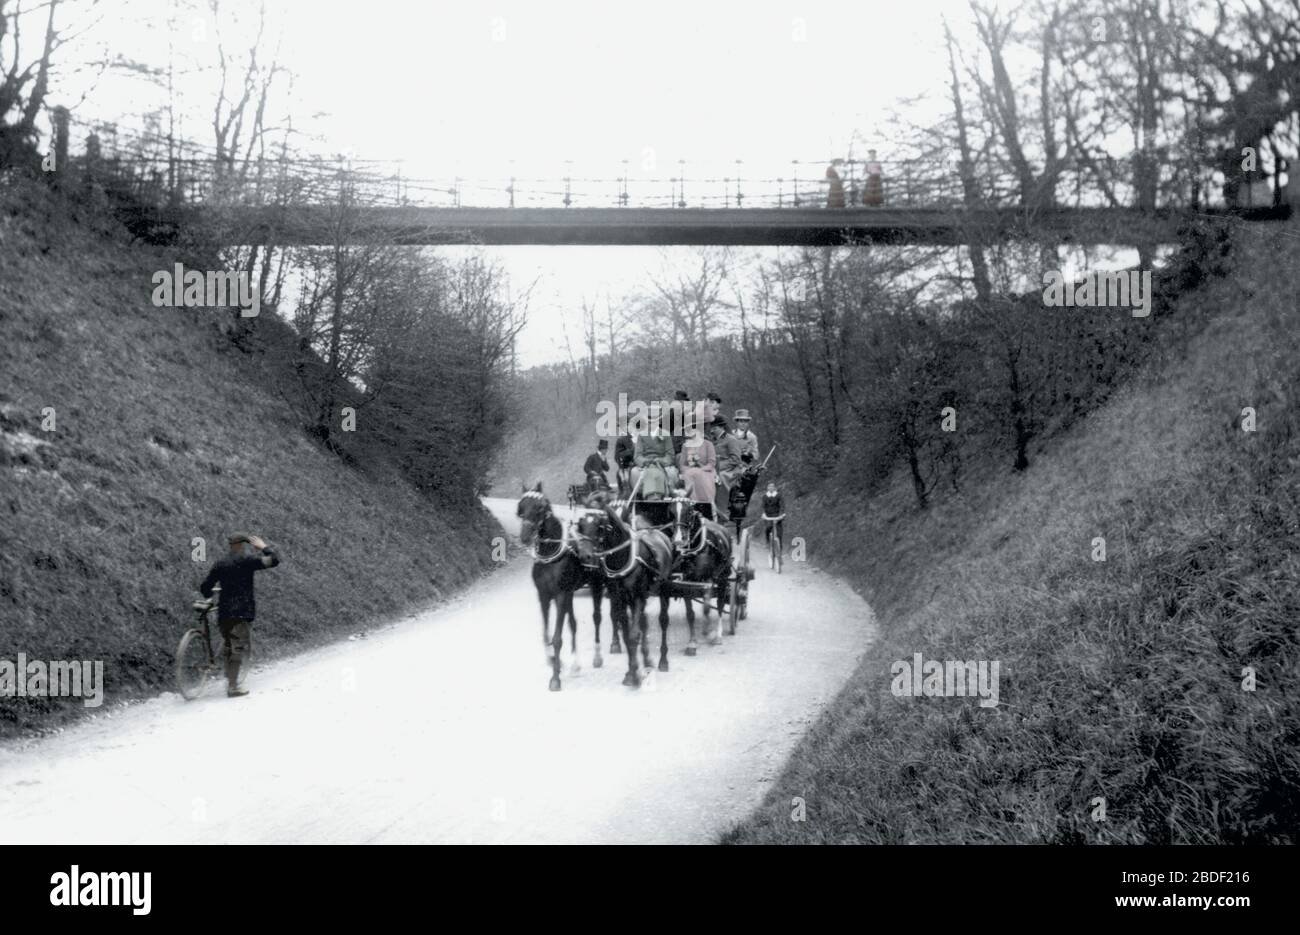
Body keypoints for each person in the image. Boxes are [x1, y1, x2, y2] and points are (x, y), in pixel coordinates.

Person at [199, 533, 281, 697]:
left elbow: (205, 587)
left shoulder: (220, 564)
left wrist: (209, 595)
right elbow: (274, 560)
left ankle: (229, 675)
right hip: (242, 610)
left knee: (229, 643)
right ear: (242, 545)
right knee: (237, 646)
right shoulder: (248, 561)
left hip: (224, 612)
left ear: (230, 545)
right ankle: (233, 687)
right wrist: (263, 547)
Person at [633, 404, 678, 499]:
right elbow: (637, 455)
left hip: (661, 464)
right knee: (634, 472)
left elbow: (670, 454)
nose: (652, 424)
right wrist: (645, 461)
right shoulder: (642, 435)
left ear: (659, 421)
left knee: (672, 473)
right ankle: (640, 498)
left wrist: (662, 461)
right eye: (649, 422)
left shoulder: (665, 434)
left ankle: (667, 495)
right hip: (647, 464)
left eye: (655, 421)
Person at [676, 430, 717, 519]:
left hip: (706, 472)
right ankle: (691, 506)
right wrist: (690, 469)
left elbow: (711, 464)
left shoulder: (708, 444)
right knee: (690, 474)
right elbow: (682, 465)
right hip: (690, 473)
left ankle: (708, 506)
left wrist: (700, 469)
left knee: (697, 474)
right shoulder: (685, 446)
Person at [761, 482, 785, 547]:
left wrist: (782, 514)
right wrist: (763, 513)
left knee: (779, 531)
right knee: (768, 527)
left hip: (777, 514)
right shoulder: (765, 496)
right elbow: (763, 506)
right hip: (768, 515)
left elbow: (782, 505)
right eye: (769, 486)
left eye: (772, 486)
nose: (771, 488)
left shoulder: (778, 495)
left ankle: (780, 547)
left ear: (774, 488)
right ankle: (767, 541)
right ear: (767, 488)